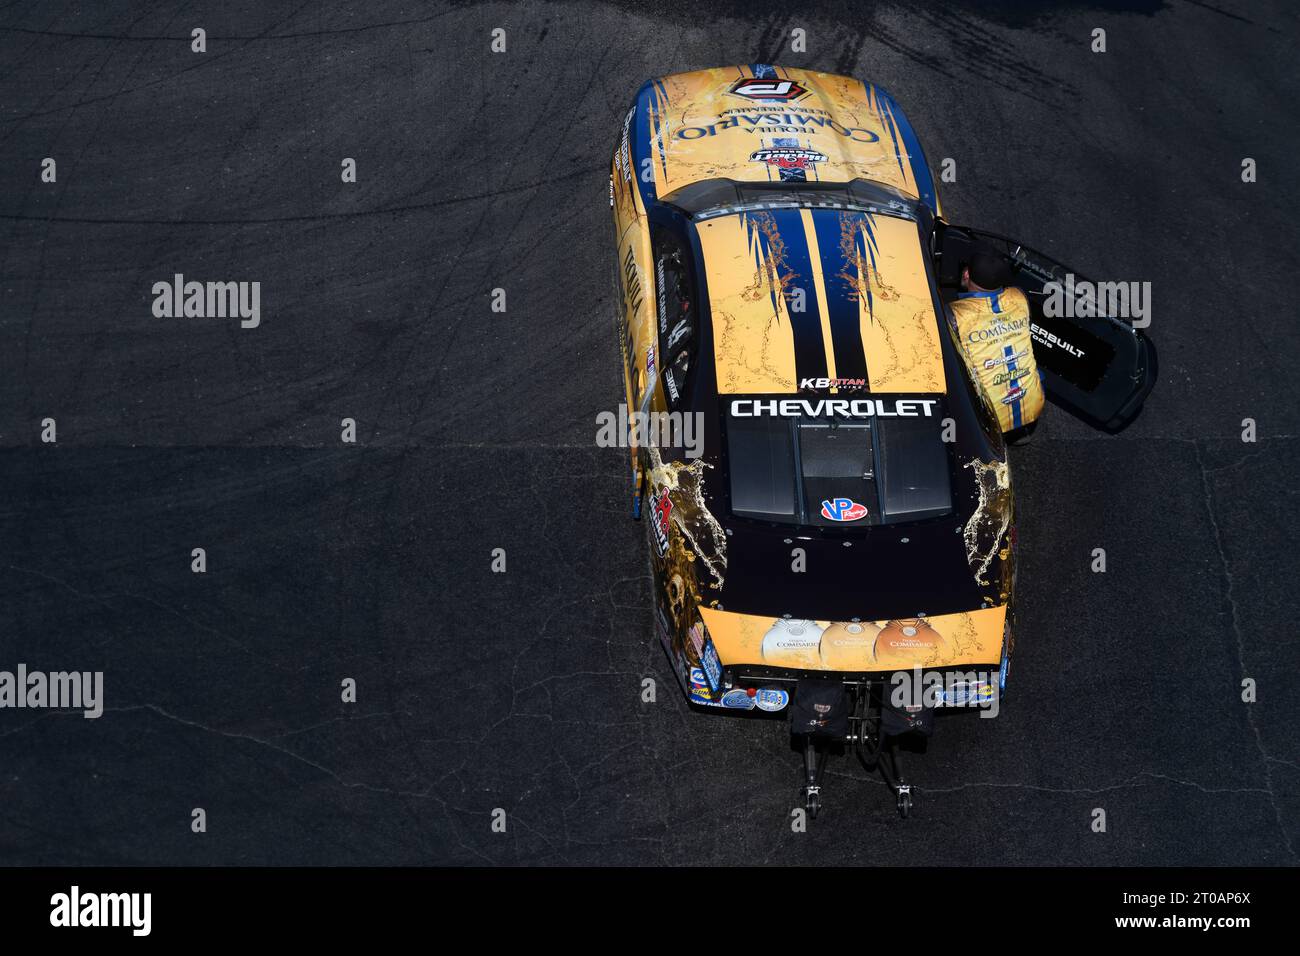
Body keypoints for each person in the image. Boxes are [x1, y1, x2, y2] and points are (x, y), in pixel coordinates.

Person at [947, 245, 1044, 444]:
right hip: (1033, 412)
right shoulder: (1020, 297)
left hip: (989, 422)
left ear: (966, 274)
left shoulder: (953, 315)